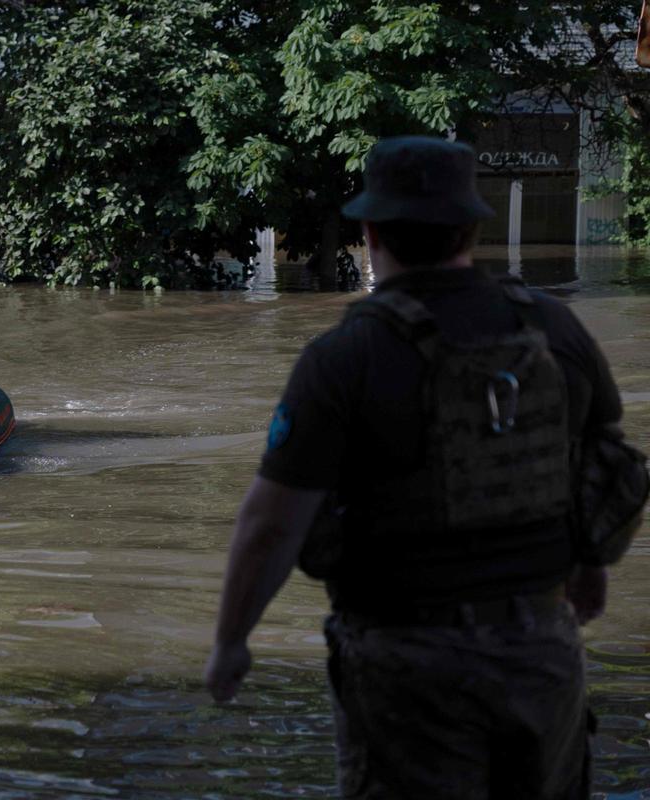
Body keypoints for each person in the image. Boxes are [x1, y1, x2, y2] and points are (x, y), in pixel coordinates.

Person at [204, 136, 628, 798]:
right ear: (471, 229)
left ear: (371, 231)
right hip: (542, 654)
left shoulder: (346, 356)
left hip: (407, 666)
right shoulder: (553, 327)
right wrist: (591, 565)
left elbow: (272, 524)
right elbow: (604, 464)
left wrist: (231, 642)